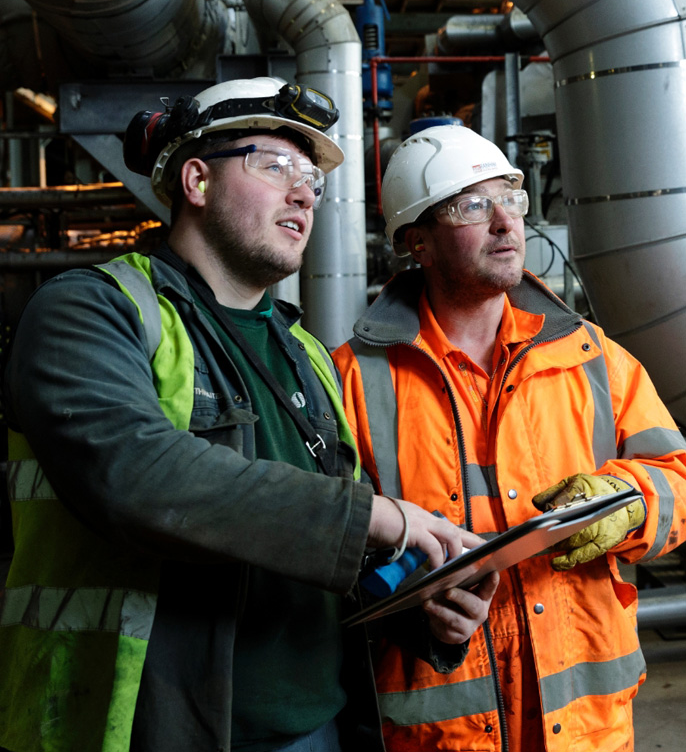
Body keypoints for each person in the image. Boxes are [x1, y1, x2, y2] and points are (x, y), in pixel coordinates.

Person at [0, 79, 497, 752]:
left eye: (313, 182)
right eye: (276, 166)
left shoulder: (307, 354)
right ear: (197, 180)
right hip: (155, 730)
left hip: (324, 725)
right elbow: (135, 472)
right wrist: (381, 515)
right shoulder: (91, 311)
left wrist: (420, 609)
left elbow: (322, 558)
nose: (303, 194)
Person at [333, 123, 686, 752]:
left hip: (590, 733)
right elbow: (329, 543)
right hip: (445, 737)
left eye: (510, 199)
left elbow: (678, 476)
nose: (506, 223)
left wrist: (627, 502)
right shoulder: (351, 380)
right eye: (472, 204)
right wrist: (414, 607)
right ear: (418, 241)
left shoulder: (592, 358)